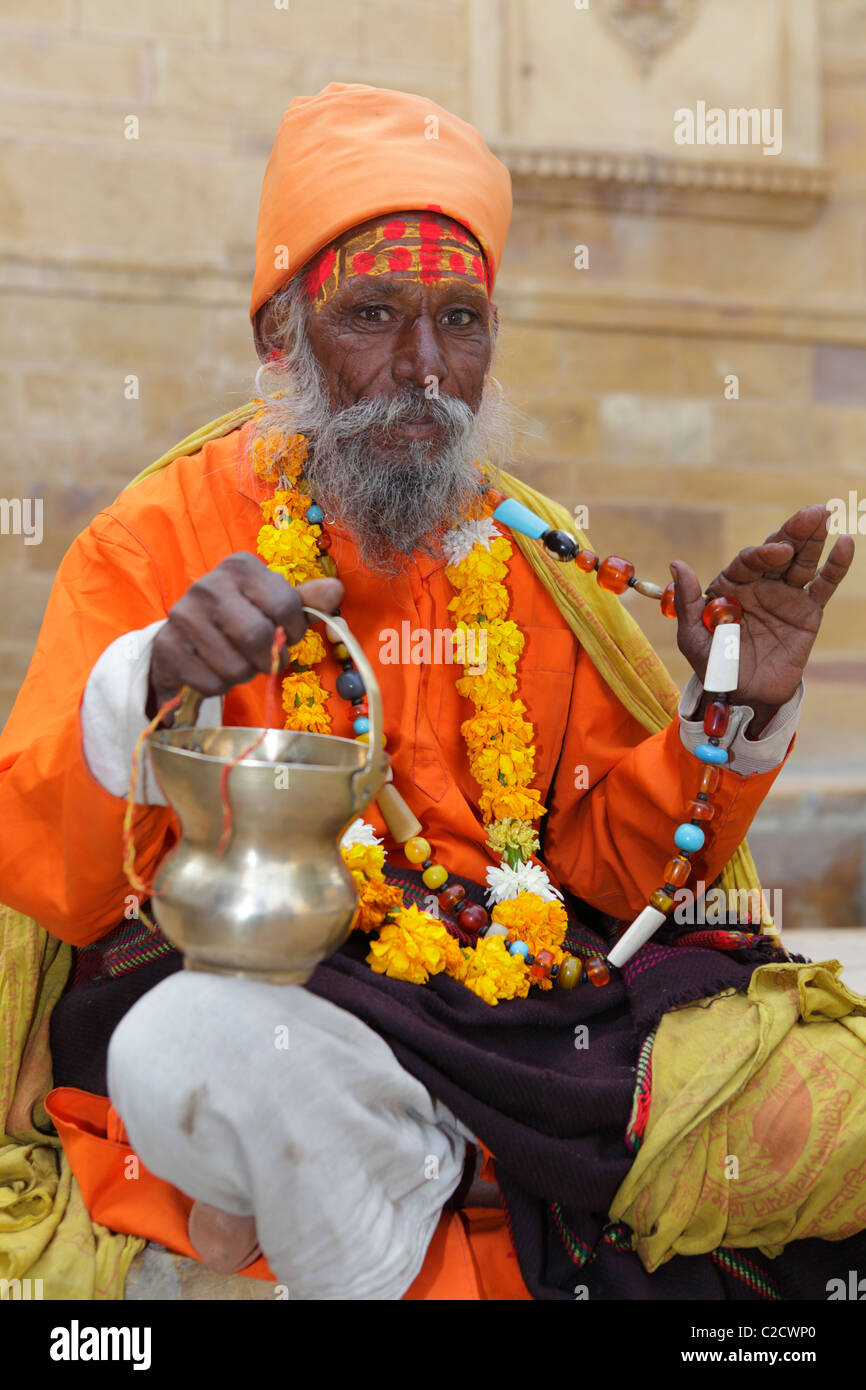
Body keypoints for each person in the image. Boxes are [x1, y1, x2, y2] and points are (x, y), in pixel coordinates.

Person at [0, 82, 862, 1301]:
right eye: (373, 316)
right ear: (279, 339)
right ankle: (455, 1170)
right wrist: (151, 681)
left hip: (522, 1015)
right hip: (294, 1002)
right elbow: (53, 879)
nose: (422, 371)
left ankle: (444, 1164)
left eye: (459, 320)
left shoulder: (526, 556)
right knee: (183, 1049)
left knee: (835, 1100)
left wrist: (731, 713)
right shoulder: (157, 538)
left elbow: (614, 873)